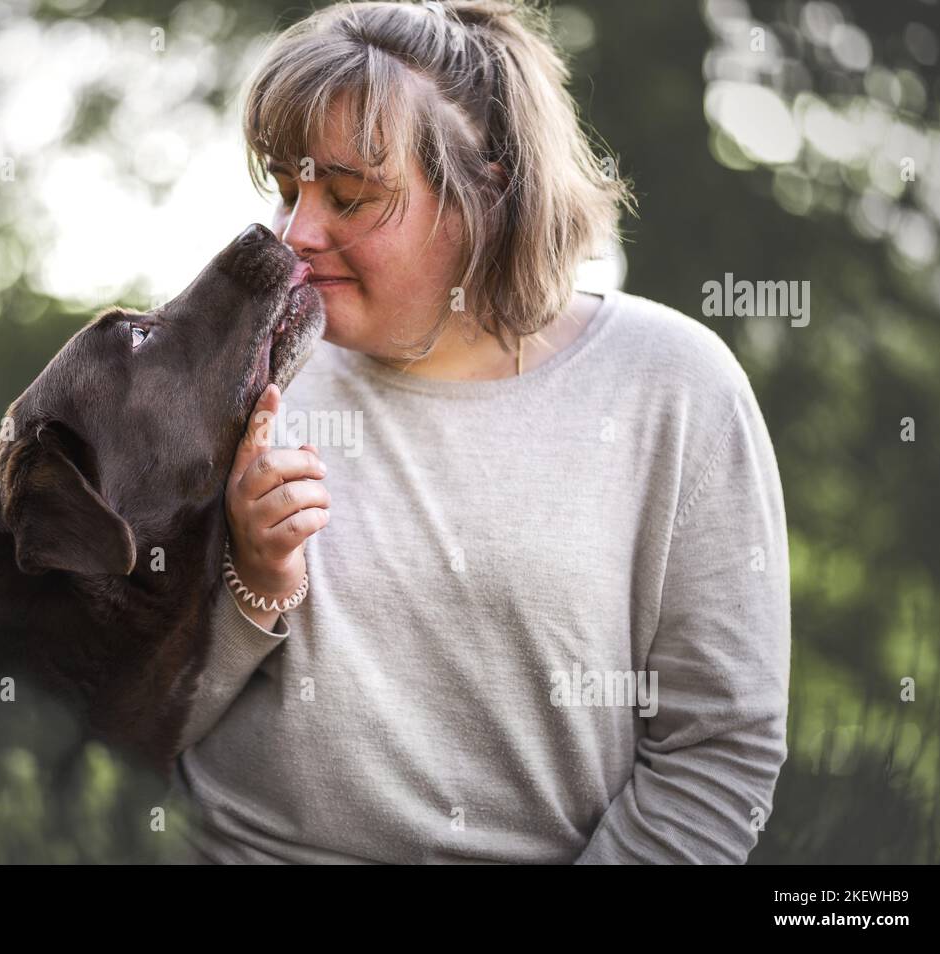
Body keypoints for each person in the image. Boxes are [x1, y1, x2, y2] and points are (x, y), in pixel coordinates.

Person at [169, 0, 790, 863]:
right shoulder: (244, 370)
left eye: (349, 195)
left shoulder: (674, 387)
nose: (295, 234)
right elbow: (136, 718)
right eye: (287, 188)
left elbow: (717, 750)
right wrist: (254, 588)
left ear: (488, 194)